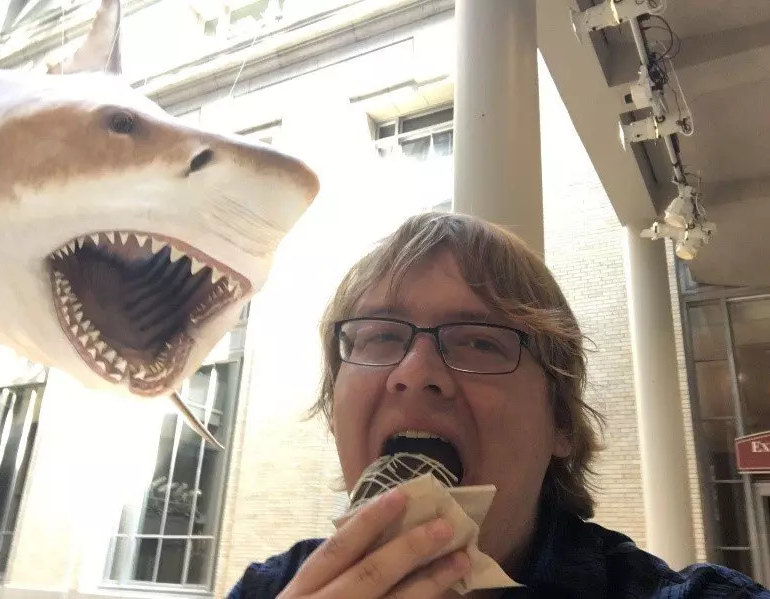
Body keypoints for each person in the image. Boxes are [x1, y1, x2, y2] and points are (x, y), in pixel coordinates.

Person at [228, 212, 770, 598]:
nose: (415, 375)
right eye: (378, 336)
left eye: (479, 341)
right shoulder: (266, 590)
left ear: (561, 422)